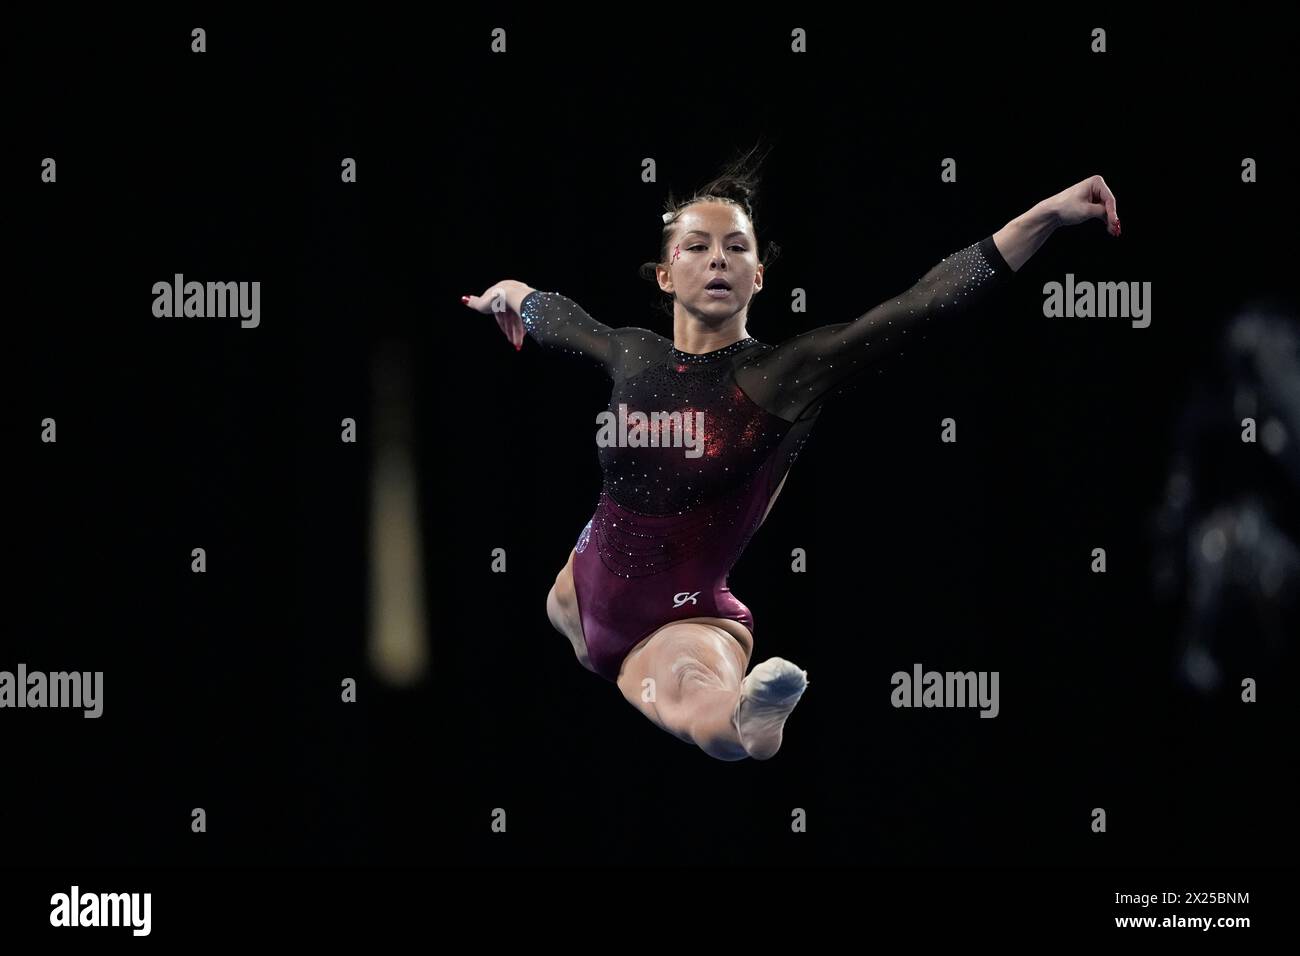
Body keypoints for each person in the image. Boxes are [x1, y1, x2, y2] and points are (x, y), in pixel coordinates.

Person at [462, 156, 1120, 761]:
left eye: (736, 248)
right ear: (665, 275)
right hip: (575, 596)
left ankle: (750, 717)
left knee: (695, 699)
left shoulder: (782, 375)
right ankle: (731, 711)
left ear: (759, 274)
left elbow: (923, 304)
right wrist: (507, 293)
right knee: (582, 627)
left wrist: (1047, 216)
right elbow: (559, 317)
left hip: (676, 620)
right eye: (697, 247)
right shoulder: (633, 352)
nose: (717, 259)